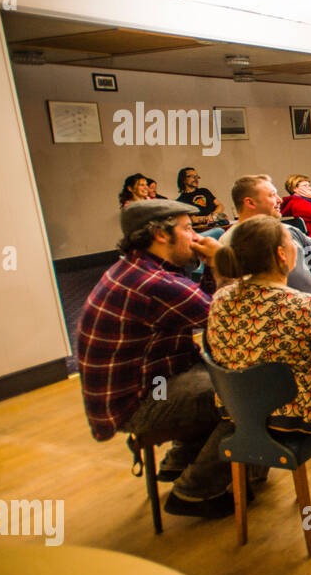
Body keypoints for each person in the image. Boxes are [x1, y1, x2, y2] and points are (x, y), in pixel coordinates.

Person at [75, 199, 235, 518]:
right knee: (245, 397)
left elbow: (200, 304)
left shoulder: (140, 268)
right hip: (140, 402)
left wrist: (210, 267)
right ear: (161, 235)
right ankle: (195, 490)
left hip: (148, 384)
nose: (196, 236)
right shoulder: (154, 283)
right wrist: (223, 264)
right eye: (187, 229)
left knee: (217, 376)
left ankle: (181, 458)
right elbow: (230, 318)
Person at [207, 215, 311, 464]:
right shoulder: (304, 306)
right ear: (282, 254)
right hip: (300, 418)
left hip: (239, 410)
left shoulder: (220, 298)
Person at [225, 175, 311, 301]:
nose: (280, 200)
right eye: (272, 195)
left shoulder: (287, 230)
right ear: (250, 202)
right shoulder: (233, 242)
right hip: (291, 310)